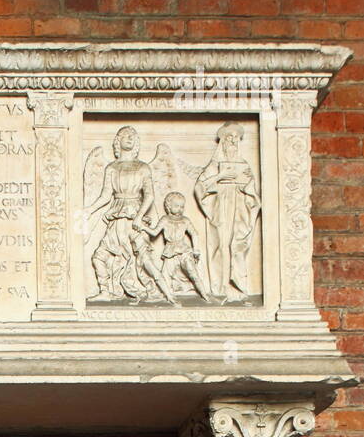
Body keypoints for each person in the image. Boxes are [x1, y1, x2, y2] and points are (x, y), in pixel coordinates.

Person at [87, 126, 174, 304]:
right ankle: (105, 291)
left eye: (133, 136)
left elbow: (149, 196)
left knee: (143, 259)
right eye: (125, 135)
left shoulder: (143, 167)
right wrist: (89, 209)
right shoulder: (111, 167)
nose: (129, 138)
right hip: (117, 219)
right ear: (117, 141)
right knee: (98, 256)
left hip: (135, 217)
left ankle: (155, 291)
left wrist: (139, 216)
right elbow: (105, 196)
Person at [194, 122, 261, 301]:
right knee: (220, 245)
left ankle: (237, 286)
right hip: (220, 207)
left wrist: (247, 188)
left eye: (235, 138)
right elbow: (200, 186)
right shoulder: (215, 164)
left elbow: (253, 192)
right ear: (222, 141)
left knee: (236, 244)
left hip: (239, 207)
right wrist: (220, 176)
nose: (232, 141)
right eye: (228, 137)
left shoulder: (244, 163)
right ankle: (219, 288)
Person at [139, 192, 216, 303]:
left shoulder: (185, 220)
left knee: (193, 273)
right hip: (170, 251)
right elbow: (155, 232)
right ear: (168, 206)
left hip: (184, 251)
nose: (180, 209)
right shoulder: (165, 219)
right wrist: (144, 227)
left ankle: (205, 295)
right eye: (176, 206)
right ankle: (170, 297)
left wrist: (196, 250)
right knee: (165, 276)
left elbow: (195, 234)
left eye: (182, 206)